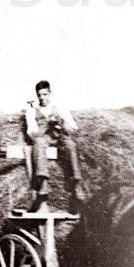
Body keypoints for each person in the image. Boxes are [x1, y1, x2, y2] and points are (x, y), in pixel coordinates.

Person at [24, 80, 83, 212]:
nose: (42, 98)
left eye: (44, 94)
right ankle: (43, 185)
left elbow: (73, 129)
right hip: (44, 138)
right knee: (38, 143)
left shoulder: (60, 108)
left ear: (50, 94)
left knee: (70, 145)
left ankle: (76, 184)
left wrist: (60, 122)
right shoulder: (32, 111)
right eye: (39, 95)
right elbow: (32, 134)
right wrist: (45, 124)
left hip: (59, 137)